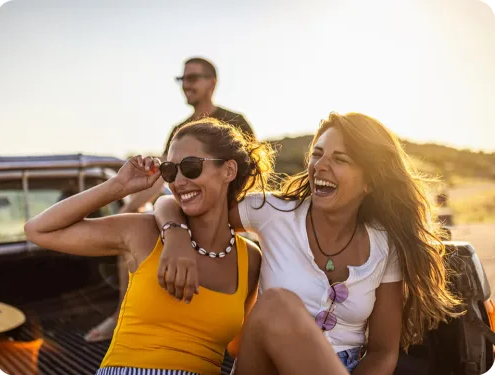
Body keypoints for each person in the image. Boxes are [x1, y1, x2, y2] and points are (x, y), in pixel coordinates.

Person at [153, 112, 462, 374]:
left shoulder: (384, 246)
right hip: (266, 365)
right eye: (317, 154)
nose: (320, 166)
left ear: (369, 182)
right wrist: (176, 236)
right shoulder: (272, 212)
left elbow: (382, 352)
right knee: (277, 304)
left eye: (339, 159)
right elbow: (182, 204)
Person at [24, 119, 269, 375]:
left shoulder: (249, 258)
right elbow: (38, 230)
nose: (179, 181)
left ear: (229, 170)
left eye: (191, 167)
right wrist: (117, 187)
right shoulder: (143, 232)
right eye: (170, 171)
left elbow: (241, 350)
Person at [84, 57, 256, 342]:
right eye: (182, 79)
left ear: (212, 82)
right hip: (185, 209)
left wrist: (221, 210)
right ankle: (122, 316)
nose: (186, 85)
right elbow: (169, 176)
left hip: (227, 209)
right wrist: (130, 204)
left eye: (193, 78)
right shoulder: (181, 129)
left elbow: (248, 172)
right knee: (133, 233)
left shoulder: (235, 122)